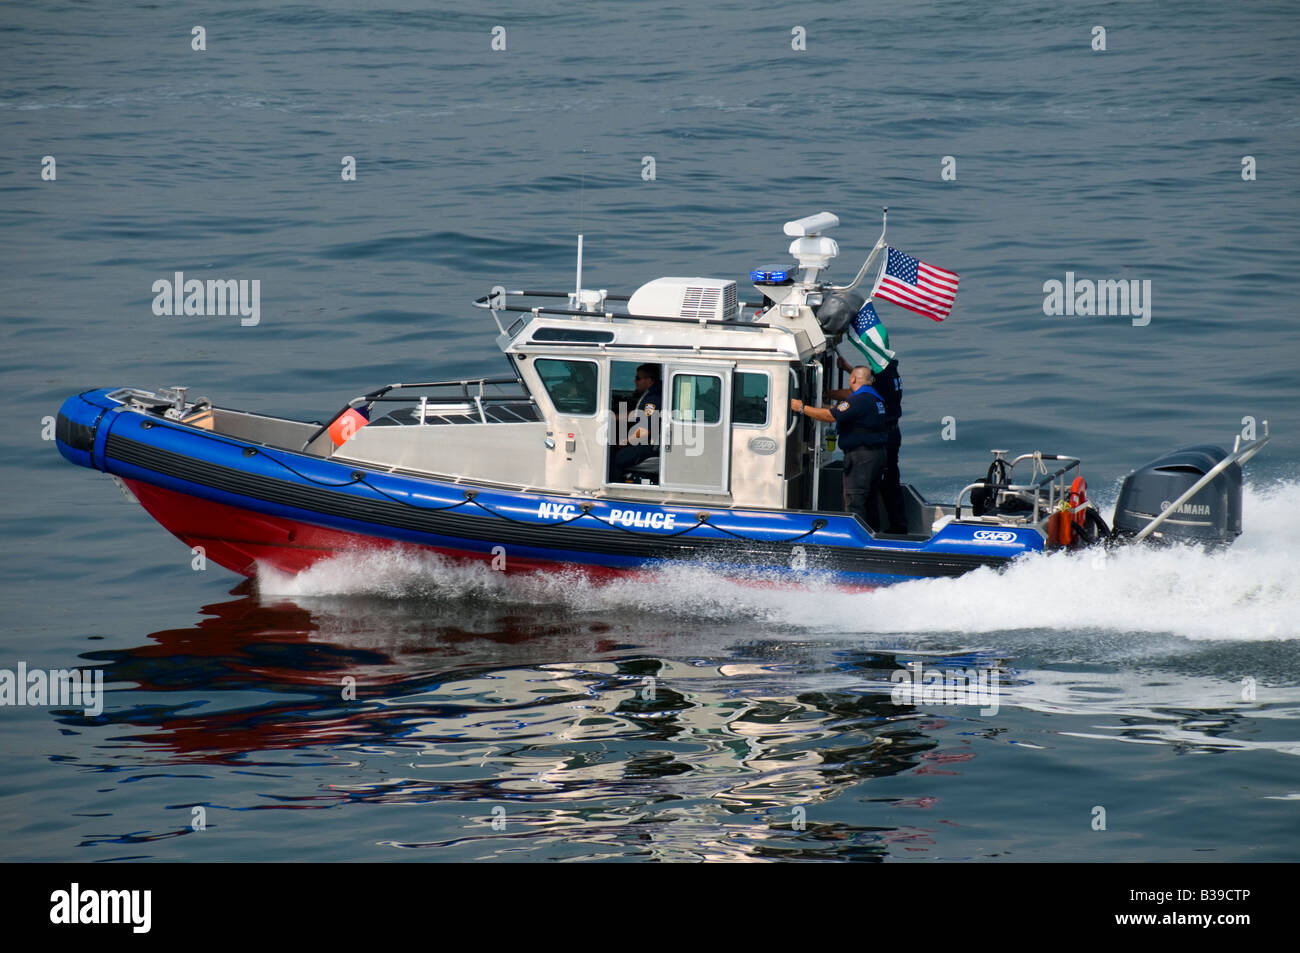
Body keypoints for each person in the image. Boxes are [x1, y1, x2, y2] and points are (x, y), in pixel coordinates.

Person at [792, 365, 889, 527]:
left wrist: (801, 408)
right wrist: (823, 402)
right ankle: (874, 536)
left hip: (861, 457)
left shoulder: (859, 400)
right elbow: (843, 409)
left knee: (854, 501)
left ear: (852, 379)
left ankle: (857, 544)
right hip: (877, 455)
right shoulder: (874, 397)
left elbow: (831, 416)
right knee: (869, 500)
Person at [834, 353, 906, 533]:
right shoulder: (890, 372)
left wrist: (826, 394)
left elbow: (862, 390)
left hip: (883, 435)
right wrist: (849, 368)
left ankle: (896, 528)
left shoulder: (882, 378)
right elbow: (865, 381)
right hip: (888, 432)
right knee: (879, 487)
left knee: (886, 485)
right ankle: (881, 529)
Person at [613, 364, 662, 478]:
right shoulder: (651, 393)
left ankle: (616, 488)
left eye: (638, 378)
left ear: (649, 380)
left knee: (615, 457)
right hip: (647, 444)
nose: (634, 381)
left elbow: (645, 430)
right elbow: (637, 414)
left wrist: (625, 441)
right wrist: (614, 417)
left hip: (649, 447)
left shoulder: (653, 398)